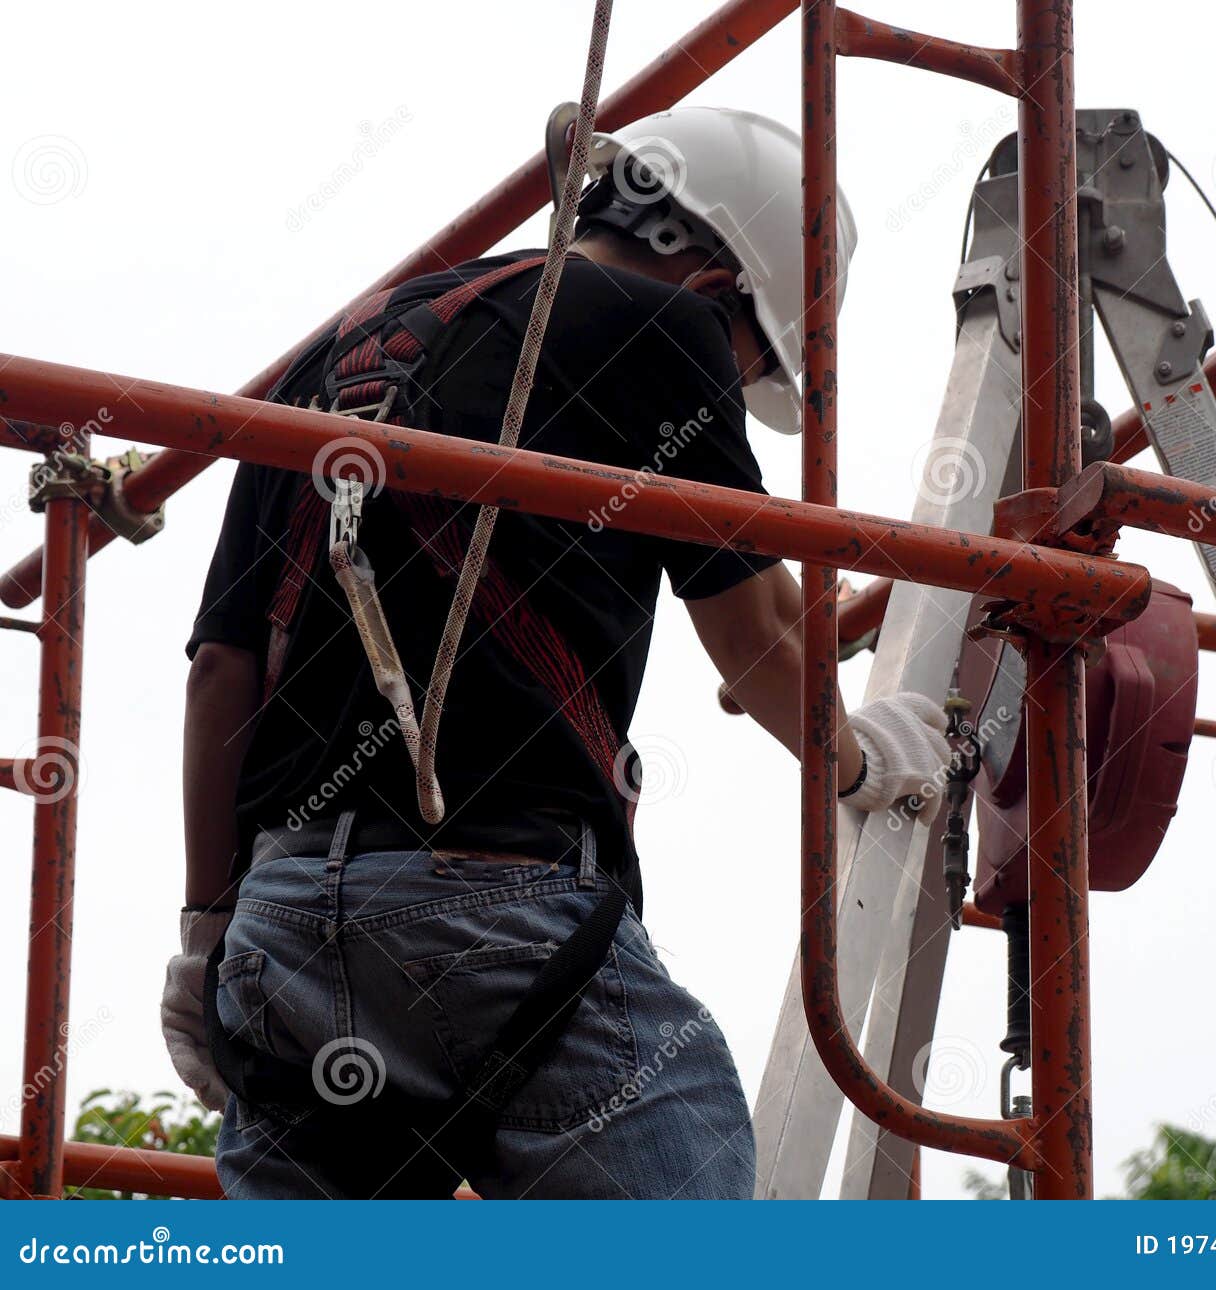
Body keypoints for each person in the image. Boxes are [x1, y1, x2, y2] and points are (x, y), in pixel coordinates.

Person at [160, 107, 953, 1199]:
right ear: (718, 286)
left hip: (281, 936)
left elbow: (222, 673)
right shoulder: (663, 328)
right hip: (497, 911)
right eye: (747, 360)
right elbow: (757, 634)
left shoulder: (336, 349)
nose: (727, 389)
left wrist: (206, 932)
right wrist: (863, 758)